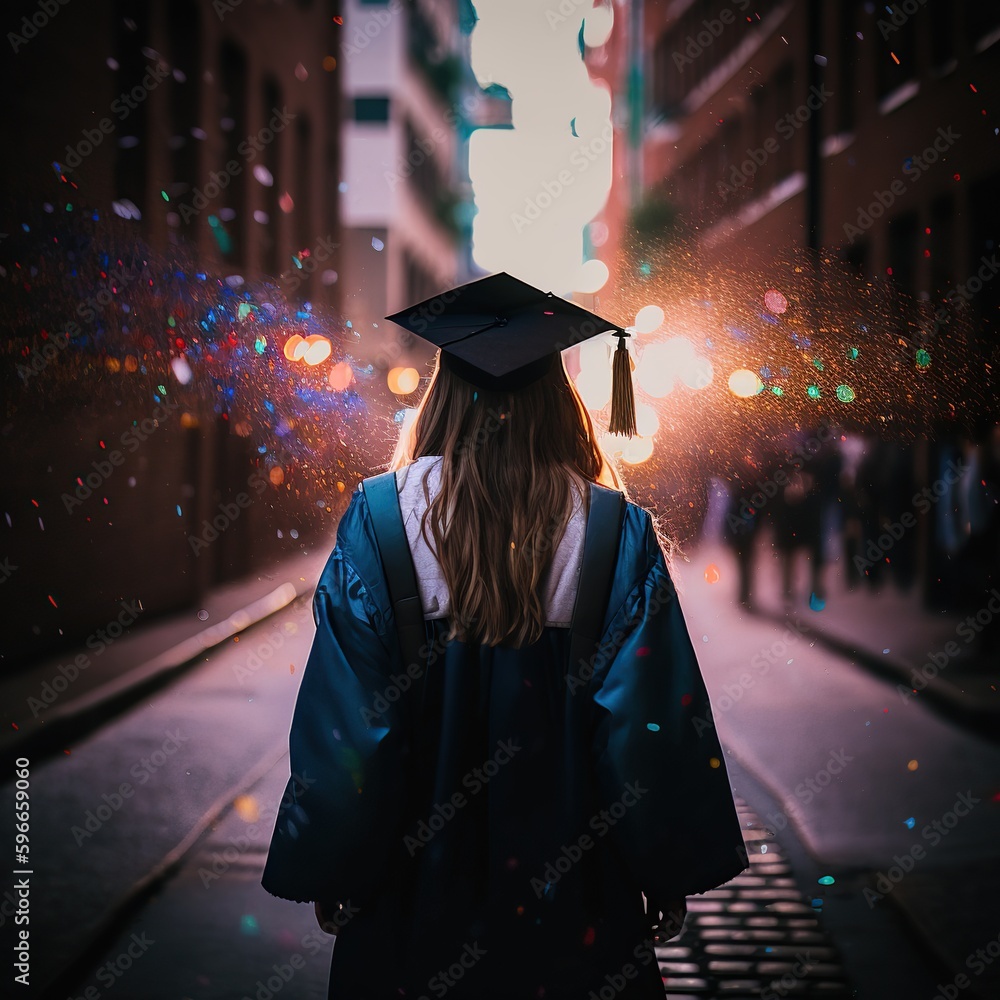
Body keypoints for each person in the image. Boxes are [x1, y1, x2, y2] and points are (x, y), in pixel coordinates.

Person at [261, 277, 746, 1000]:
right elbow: (650, 728)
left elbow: (351, 731)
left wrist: (333, 861)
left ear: (443, 396)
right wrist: (664, 864)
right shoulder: (614, 533)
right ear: (559, 399)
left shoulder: (380, 522)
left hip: (410, 902)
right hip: (573, 909)